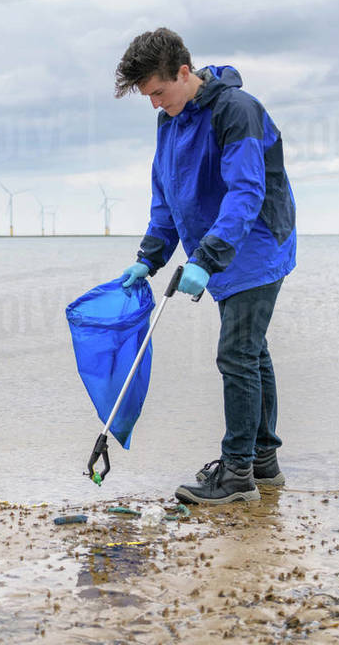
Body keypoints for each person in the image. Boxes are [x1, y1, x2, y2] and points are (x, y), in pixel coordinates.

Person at [114, 28, 296, 505]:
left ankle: (236, 476)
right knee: (251, 352)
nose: (154, 104)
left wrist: (207, 259)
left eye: (158, 92)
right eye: (146, 97)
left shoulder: (237, 110)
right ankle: (264, 463)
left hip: (255, 244)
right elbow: (168, 196)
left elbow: (247, 192)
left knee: (236, 353)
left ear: (183, 71)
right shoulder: (169, 122)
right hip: (213, 249)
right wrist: (149, 258)